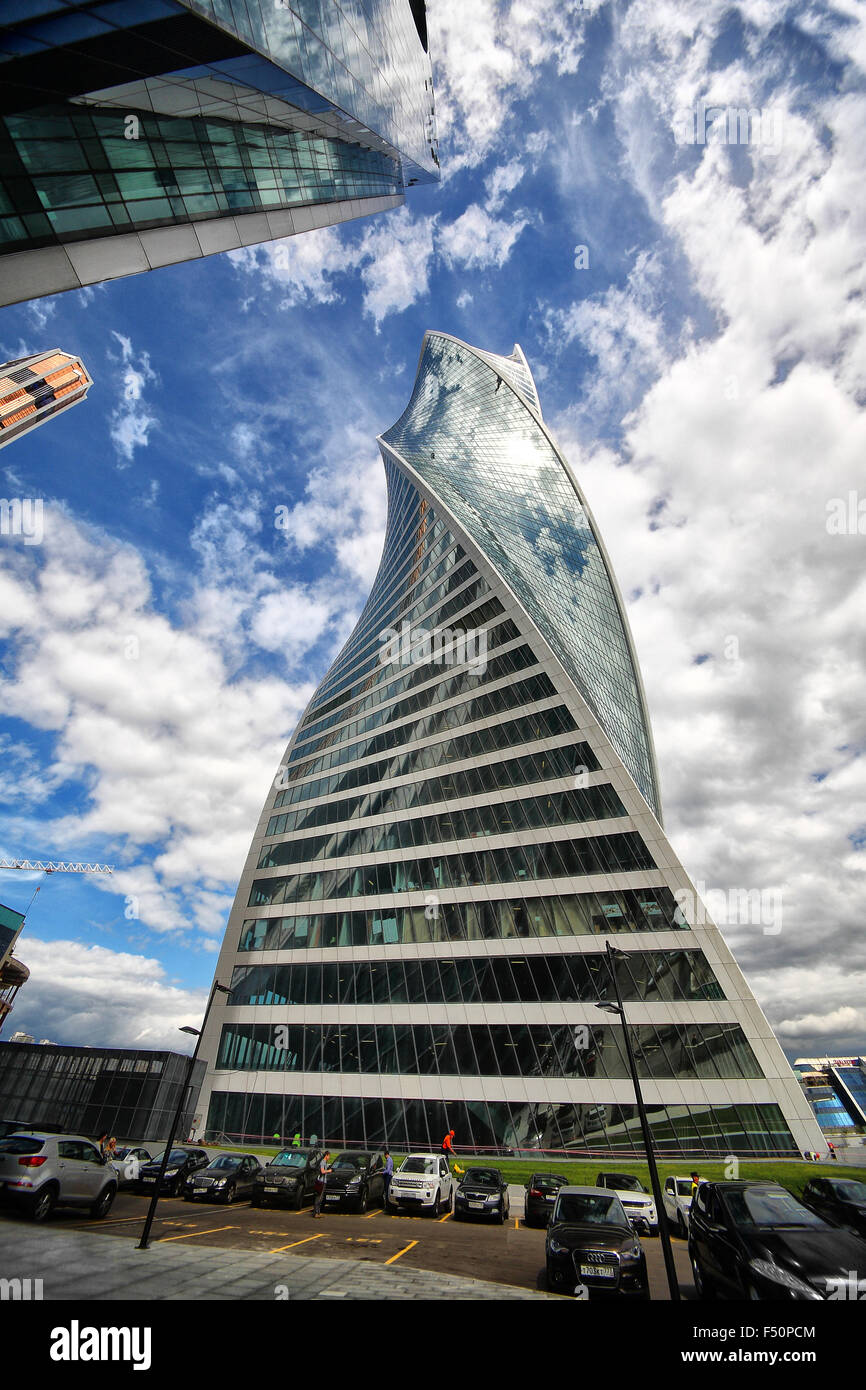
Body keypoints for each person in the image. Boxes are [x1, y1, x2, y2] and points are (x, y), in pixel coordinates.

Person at [312, 1151, 331, 1217]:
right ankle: (316, 1213)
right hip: (321, 1182)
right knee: (319, 1198)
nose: (329, 1157)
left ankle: (318, 1212)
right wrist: (329, 1171)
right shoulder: (323, 1162)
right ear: (326, 1155)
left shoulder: (324, 1162)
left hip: (322, 1181)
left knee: (319, 1197)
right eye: (329, 1156)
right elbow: (322, 1171)